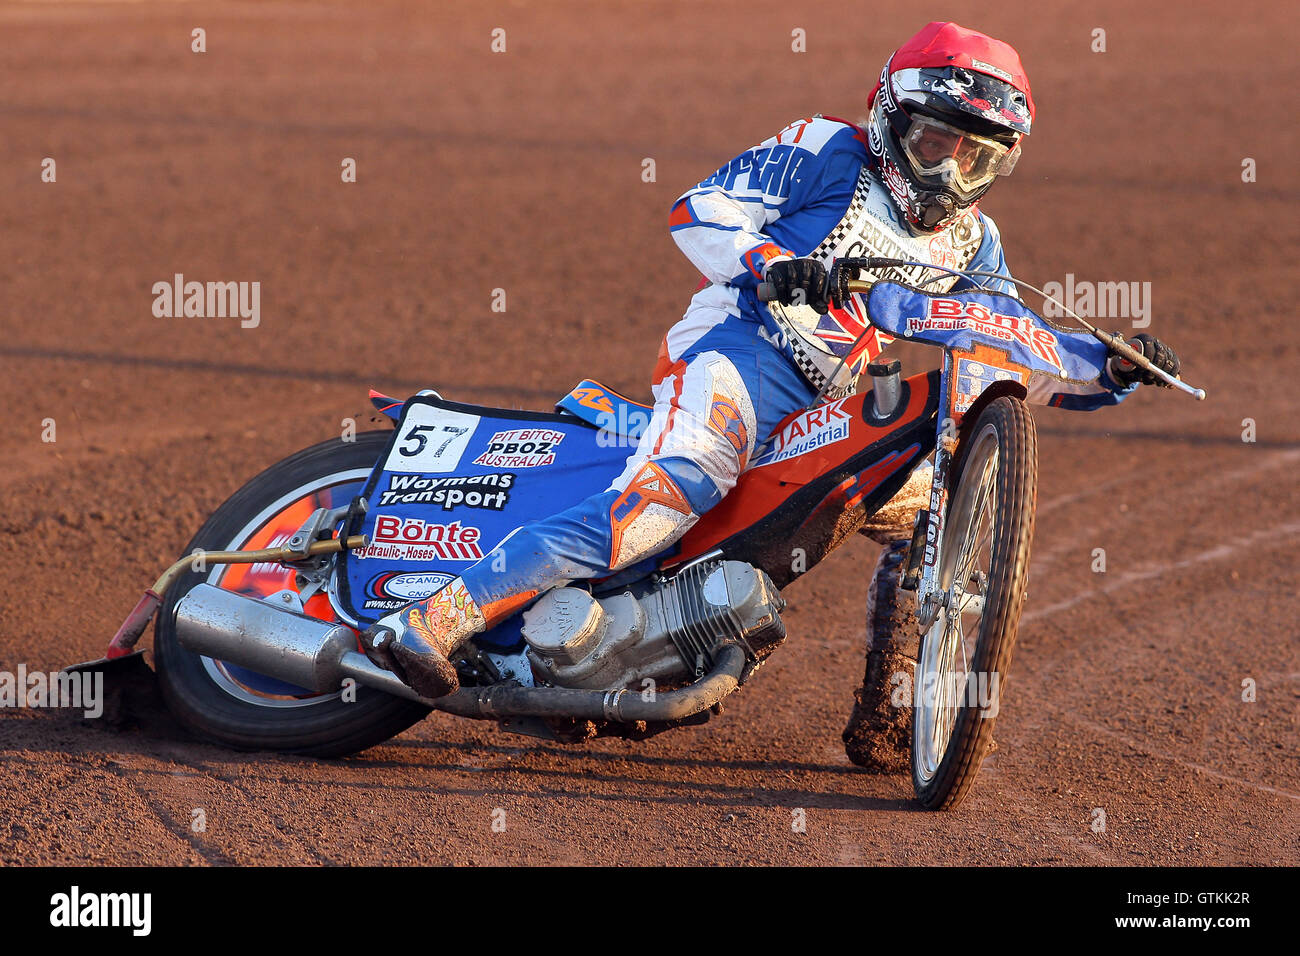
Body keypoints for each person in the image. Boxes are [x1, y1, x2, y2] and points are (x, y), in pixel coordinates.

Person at [362, 22, 1181, 758]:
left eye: (977, 155)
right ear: (890, 118)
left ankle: (891, 716)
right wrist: (767, 262)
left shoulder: (976, 238)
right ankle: (430, 620)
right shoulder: (826, 148)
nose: (951, 169)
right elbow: (699, 208)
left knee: (927, 510)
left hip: (828, 403)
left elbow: (999, 348)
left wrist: (1102, 370)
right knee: (669, 498)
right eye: (935, 141)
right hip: (737, 356)